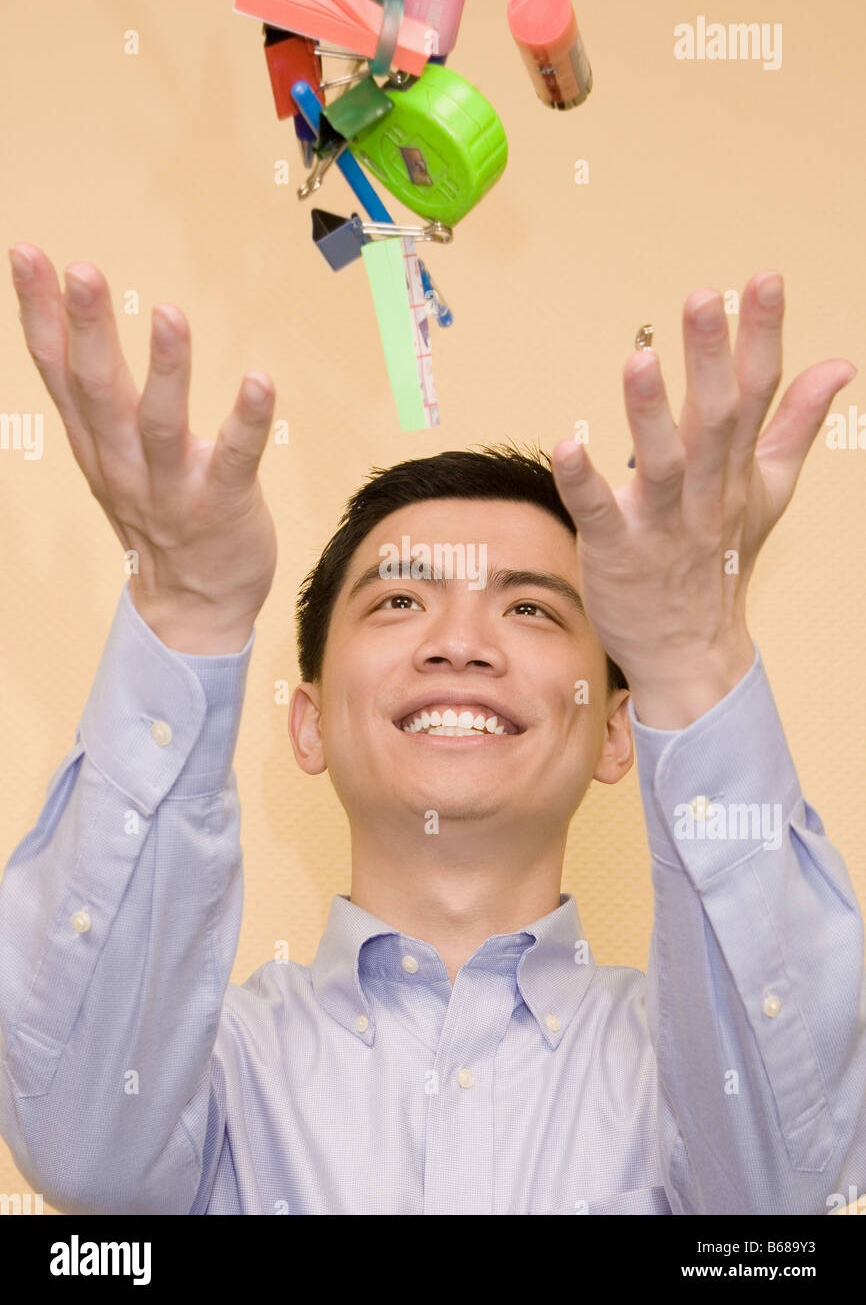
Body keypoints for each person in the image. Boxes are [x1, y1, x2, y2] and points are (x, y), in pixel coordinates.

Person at [1, 243, 863, 1216]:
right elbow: (80, 1149)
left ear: (617, 733)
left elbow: (786, 1182)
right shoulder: (206, 1081)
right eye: (401, 601)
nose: (460, 644)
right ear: (308, 724)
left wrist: (692, 657)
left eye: (530, 608)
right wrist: (186, 613)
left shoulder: (686, 1076)